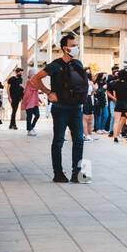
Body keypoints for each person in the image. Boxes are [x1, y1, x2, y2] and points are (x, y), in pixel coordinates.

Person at [25, 33, 91, 183]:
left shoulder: (77, 64)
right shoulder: (55, 64)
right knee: (58, 141)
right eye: (73, 46)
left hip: (76, 108)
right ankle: (58, 173)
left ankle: (77, 174)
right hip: (60, 108)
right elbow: (35, 79)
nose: (76, 48)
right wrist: (48, 92)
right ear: (65, 48)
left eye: (76, 45)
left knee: (79, 140)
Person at [109, 67, 127, 143]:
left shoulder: (115, 84)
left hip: (118, 104)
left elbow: (115, 96)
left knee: (116, 121)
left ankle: (115, 137)